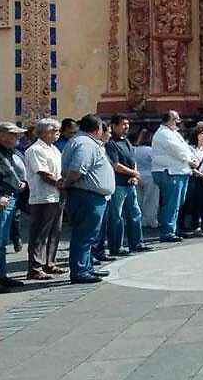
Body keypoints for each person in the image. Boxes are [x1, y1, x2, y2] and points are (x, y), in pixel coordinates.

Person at [59, 115, 116, 284]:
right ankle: (80, 271)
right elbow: (77, 169)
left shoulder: (83, 142)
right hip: (87, 196)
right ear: (97, 129)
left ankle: (87, 266)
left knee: (89, 235)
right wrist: (67, 183)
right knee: (84, 235)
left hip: (91, 196)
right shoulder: (85, 144)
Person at [23, 119, 66, 279]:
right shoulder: (35, 150)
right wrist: (59, 183)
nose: (57, 133)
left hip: (57, 195)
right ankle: (34, 267)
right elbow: (43, 172)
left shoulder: (53, 149)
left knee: (55, 231)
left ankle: (50, 263)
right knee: (40, 233)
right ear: (44, 132)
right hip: (43, 196)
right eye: (54, 131)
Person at [103, 114, 148, 256]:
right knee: (117, 216)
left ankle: (136, 243)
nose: (126, 127)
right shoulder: (111, 144)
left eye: (127, 124)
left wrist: (134, 174)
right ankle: (116, 246)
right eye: (123, 124)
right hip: (118, 184)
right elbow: (116, 165)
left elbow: (132, 159)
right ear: (114, 126)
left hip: (129, 184)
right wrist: (134, 173)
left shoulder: (126, 141)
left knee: (135, 213)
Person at [151, 111, 197, 243]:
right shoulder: (164, 134)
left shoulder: (174, 133)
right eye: (176, 119)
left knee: (178, 202)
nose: (178, 122)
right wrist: (190, 160)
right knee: (171, 203)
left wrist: (192, 157)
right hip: (169, 172)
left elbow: (186, 148)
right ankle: (167, 232)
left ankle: (173, 228)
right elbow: (177, 150)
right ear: (169, 120)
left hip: (179, 171)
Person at [0, 122, 29, 289]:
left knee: (2, 241)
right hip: (2, 199)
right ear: (2, 136)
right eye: (14, 135)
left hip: (10, 198)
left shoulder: (9, 152)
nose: (18, 138)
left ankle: (2, 276)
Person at [182, 124, 203, 237]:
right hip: (197, 178)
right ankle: (195, 224)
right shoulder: (191, 148)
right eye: (202, 134)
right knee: (196, 201)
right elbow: (191, 166)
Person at [132, 129, 158, 229]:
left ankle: (140, 219)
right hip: (150, 175)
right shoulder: (150, 150)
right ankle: (151, 220)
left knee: (138, 199)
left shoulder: (134, 149)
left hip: (138, 174)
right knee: (151, 200)